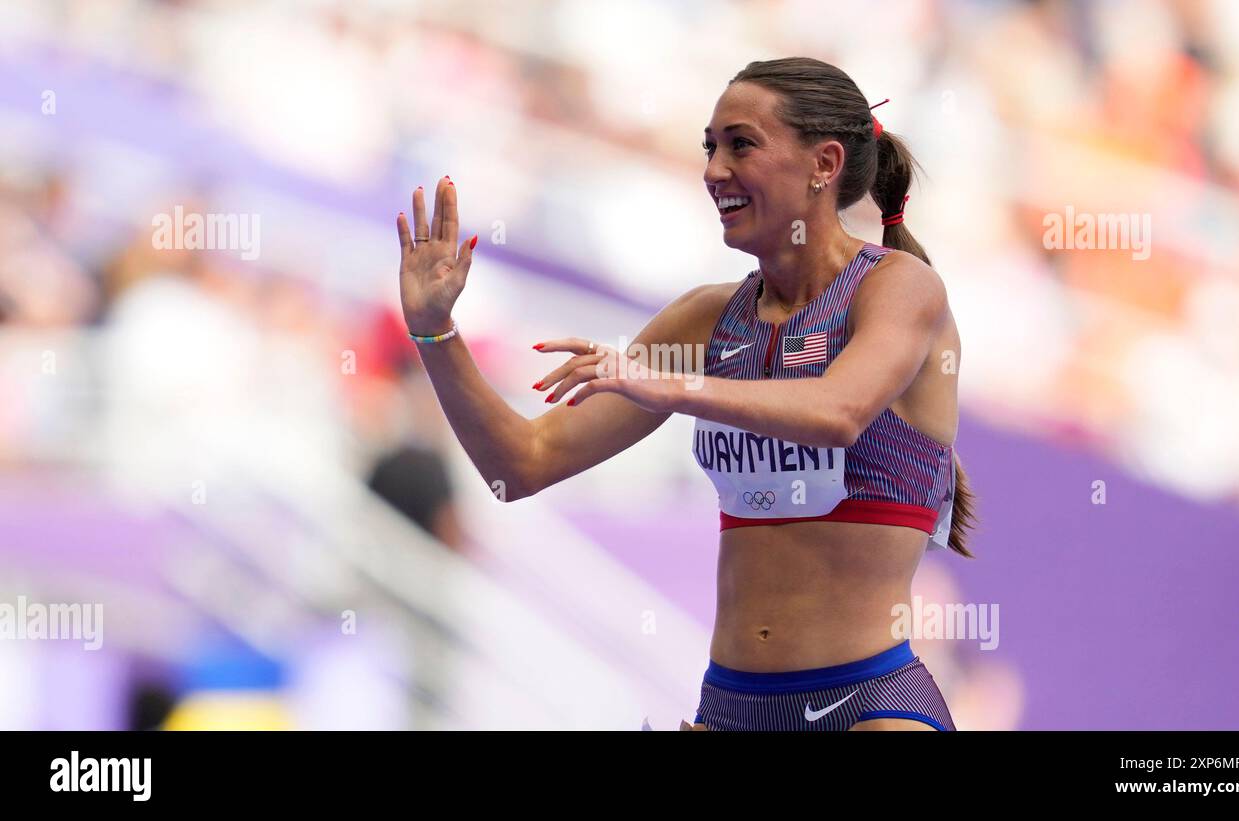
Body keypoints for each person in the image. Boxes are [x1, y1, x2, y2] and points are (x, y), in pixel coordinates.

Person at [395, 56, 975, 731]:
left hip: (867, 703)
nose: (713, 170)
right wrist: (436, 332)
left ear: (825, 163)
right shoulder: (706, 321)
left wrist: (667, 385)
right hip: (729, 706)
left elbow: (837, 412)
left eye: (741, 145)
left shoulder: (899, 288)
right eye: (710, 147)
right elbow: (521, 462)